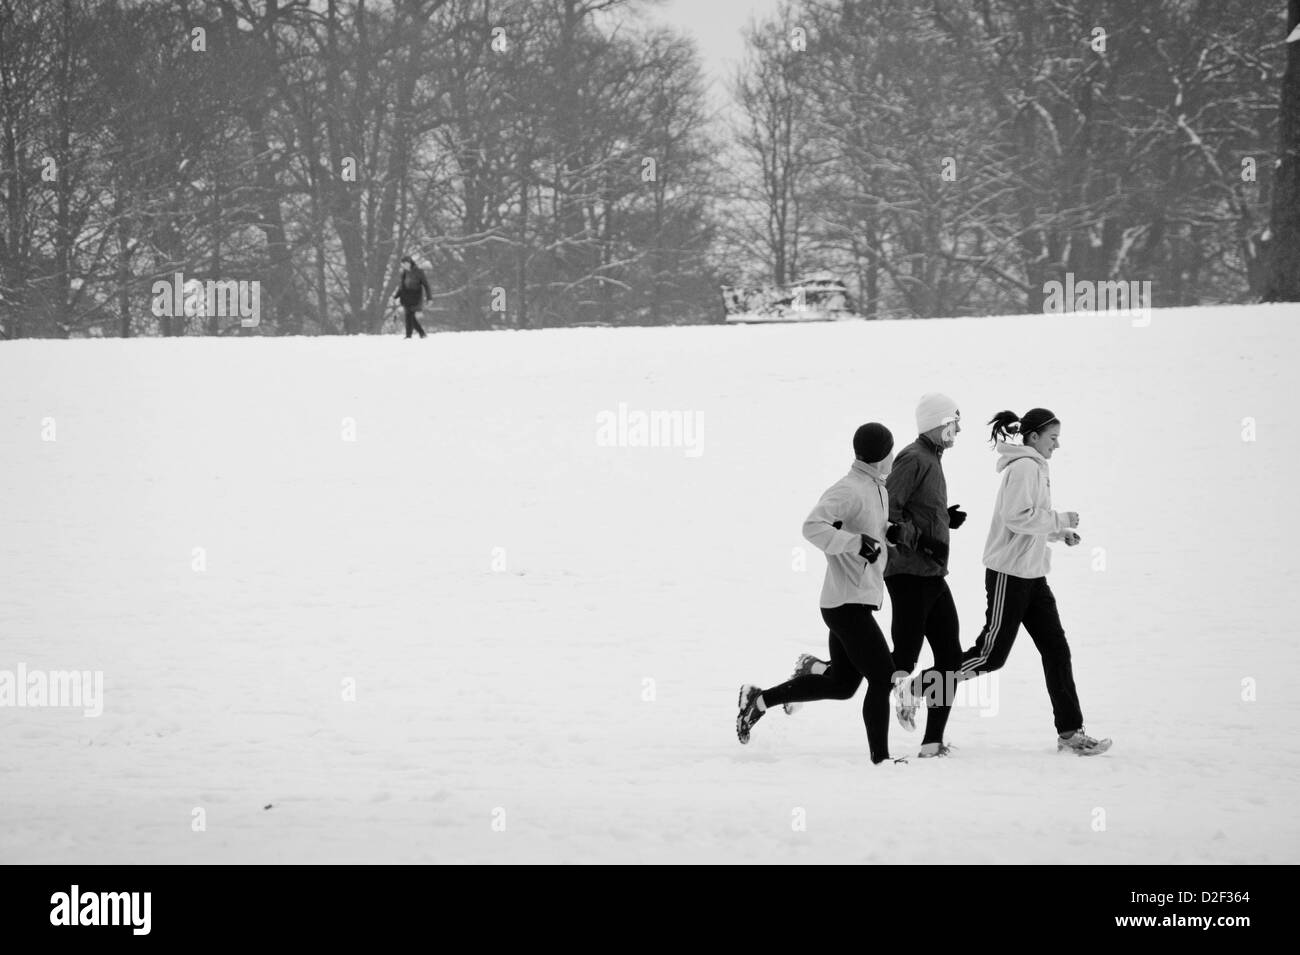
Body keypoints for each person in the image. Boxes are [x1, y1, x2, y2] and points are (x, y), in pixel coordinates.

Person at [736, 423, 909, 766]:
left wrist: (888, 532)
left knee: (843, 685)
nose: (893, 456)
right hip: (846, 604)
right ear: (880, 456)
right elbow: (812, 527)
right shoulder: (848, 489)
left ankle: (758, 700)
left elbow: (866, 526)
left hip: (853, 600)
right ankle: (881, 760)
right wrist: (856, 543)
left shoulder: (876, 488)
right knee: (883, 677)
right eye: (891, 450)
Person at [950, 408, 1111, 756]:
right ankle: (920, 687)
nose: (1057, 445)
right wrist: (1060, 518)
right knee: (990, 656)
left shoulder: (1036, 466)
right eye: (1053, 438)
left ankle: (1070, 732)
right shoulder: (1024, 467)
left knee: (1056, 649)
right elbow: (1016, 518)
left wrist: (1057, 533)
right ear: (1034, 437)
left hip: (1033, 575)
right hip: (1009, 575)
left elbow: (1028, 522)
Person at [879, 393, 967, 759]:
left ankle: (932, 742)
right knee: (903, 660)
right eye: (953, 424)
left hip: (931, 573)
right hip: (909, 573)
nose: (957, 430)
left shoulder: (931, 457)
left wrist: (944, 518)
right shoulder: (914, 457)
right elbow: (887, 510)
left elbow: (916, 508)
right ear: (936, 424)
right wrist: (923, 540)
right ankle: (824, 671)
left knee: (951, 659)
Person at [392, 255, 431, 338]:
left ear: (409, 263)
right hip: (406, 297)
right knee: (409, 316)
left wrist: (429, 298)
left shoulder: (419, 271)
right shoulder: (404, 273)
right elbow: (401, 286)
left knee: (409, 316)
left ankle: (411, 335)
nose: (404, 265)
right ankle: (418, 334)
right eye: (403, 264)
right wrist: (396, 296)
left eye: (405, 264)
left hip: (415, 296)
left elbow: (426, 285)